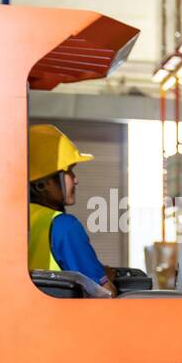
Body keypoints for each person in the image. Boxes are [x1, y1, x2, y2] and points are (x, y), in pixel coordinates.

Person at [27, 124, 115, 296]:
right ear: (43, 184)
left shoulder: (15, 218)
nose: (76, 180)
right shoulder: (63, 226)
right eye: (69, 172)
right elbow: (105, 295)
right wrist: (107, 279)